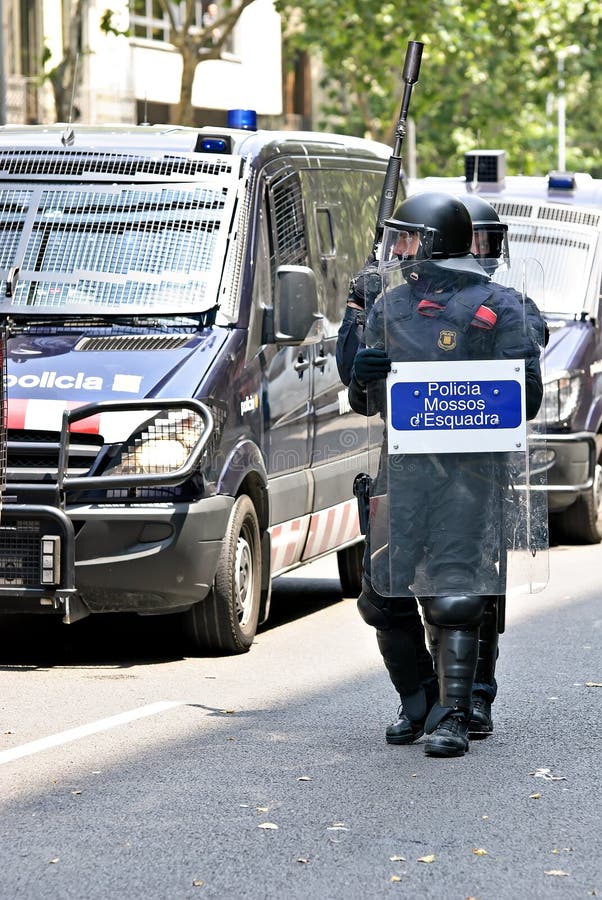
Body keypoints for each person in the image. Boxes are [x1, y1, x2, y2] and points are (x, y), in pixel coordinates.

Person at [336, 193, 546, 741]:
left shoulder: (503, 307)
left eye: (406, 237)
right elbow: (365, 403)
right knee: (381, 598)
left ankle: (456, 714)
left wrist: (508, 369)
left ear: (431, 244)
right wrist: (363, 372)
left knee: (457, 593)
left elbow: (526, 403)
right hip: (401, 475)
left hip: (470, 476)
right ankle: (419, 701)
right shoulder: (390, 307)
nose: (397, 248)